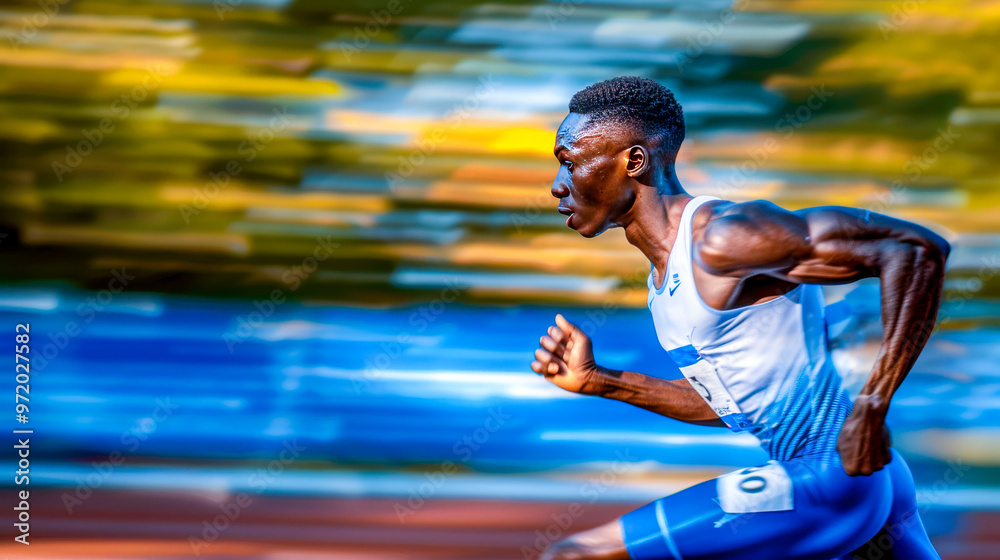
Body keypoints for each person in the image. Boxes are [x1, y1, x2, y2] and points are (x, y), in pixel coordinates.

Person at [529, 76, 948, 560]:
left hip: (831, 476)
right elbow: (737, 404)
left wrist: (873, 405)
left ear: (634, 162)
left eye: (569, 163)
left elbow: (915, 251)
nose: (557, 185)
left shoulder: (723, 238)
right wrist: (602, 381)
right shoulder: (663, 283)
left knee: (576, 555)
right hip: (864, 476)